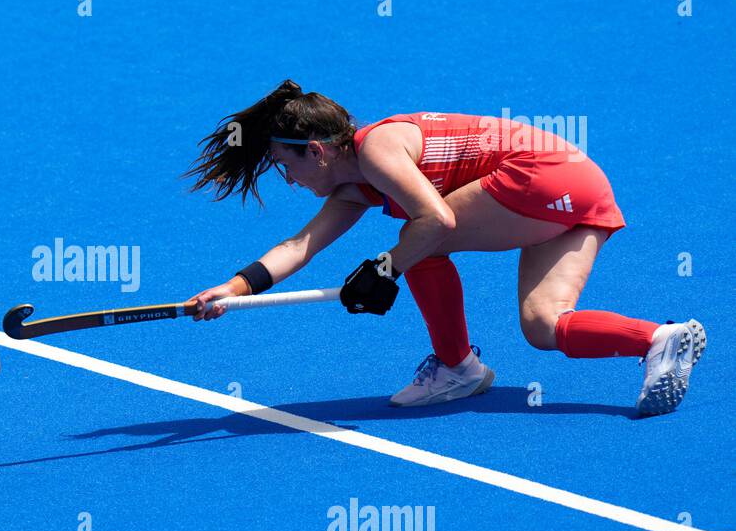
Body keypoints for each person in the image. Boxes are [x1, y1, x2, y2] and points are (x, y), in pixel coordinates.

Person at [185, 80, 705, 415]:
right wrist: (233, 290)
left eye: (286, 166)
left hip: (538, 176)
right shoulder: (352, 187)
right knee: (543, 325)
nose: (289, 180)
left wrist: (385, 269)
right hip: (580, 183)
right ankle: (659, 339)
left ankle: (457, 367)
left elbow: (437, 220)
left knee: (420, 242)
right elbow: (300, 246)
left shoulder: (377, 150)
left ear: (317, 152)